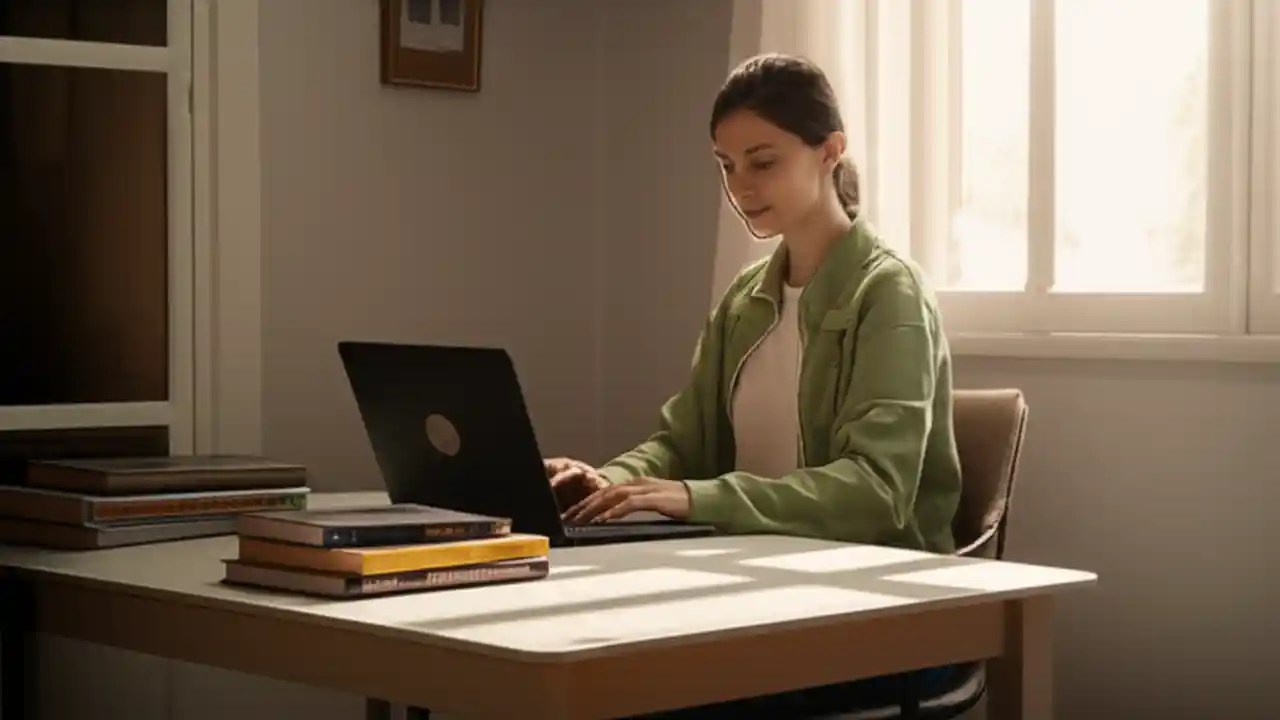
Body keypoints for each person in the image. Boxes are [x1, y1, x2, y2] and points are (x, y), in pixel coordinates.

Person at [545, 53, 964, 715]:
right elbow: (682, 444)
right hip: (758, 597)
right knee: (586, 664)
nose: (740, 185)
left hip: (890, 618)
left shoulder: (889, 293)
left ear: (830, 151)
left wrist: (697, 498)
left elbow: (878, 491)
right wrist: (610, 484)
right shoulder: (747, 298)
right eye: (726, 165)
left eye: (762, 161)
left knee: (661, 690)